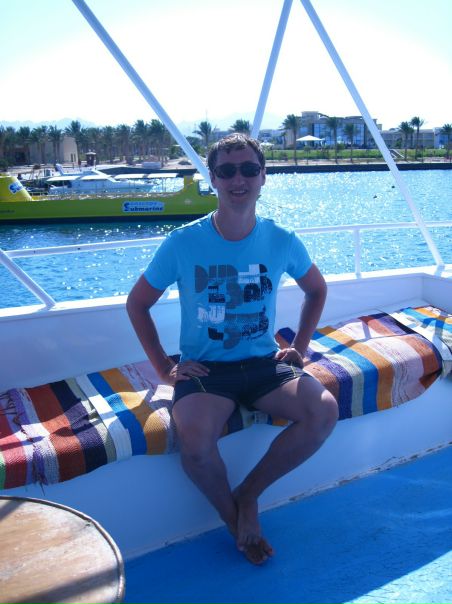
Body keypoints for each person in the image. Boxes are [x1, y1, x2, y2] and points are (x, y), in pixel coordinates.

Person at [127, 133, 338, 565]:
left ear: (263, 176)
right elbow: (138, 304)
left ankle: (249, 495)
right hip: (207, 372)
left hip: (265, 364)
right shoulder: (183, 242)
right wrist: (165, 368)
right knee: (196, 443)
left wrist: (299, 347)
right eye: (226, 171)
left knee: (324, 411)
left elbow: (316, 290)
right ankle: (235, 520)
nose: (238, 179)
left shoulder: (281, 239)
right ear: (213, 179)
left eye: (248, 169)